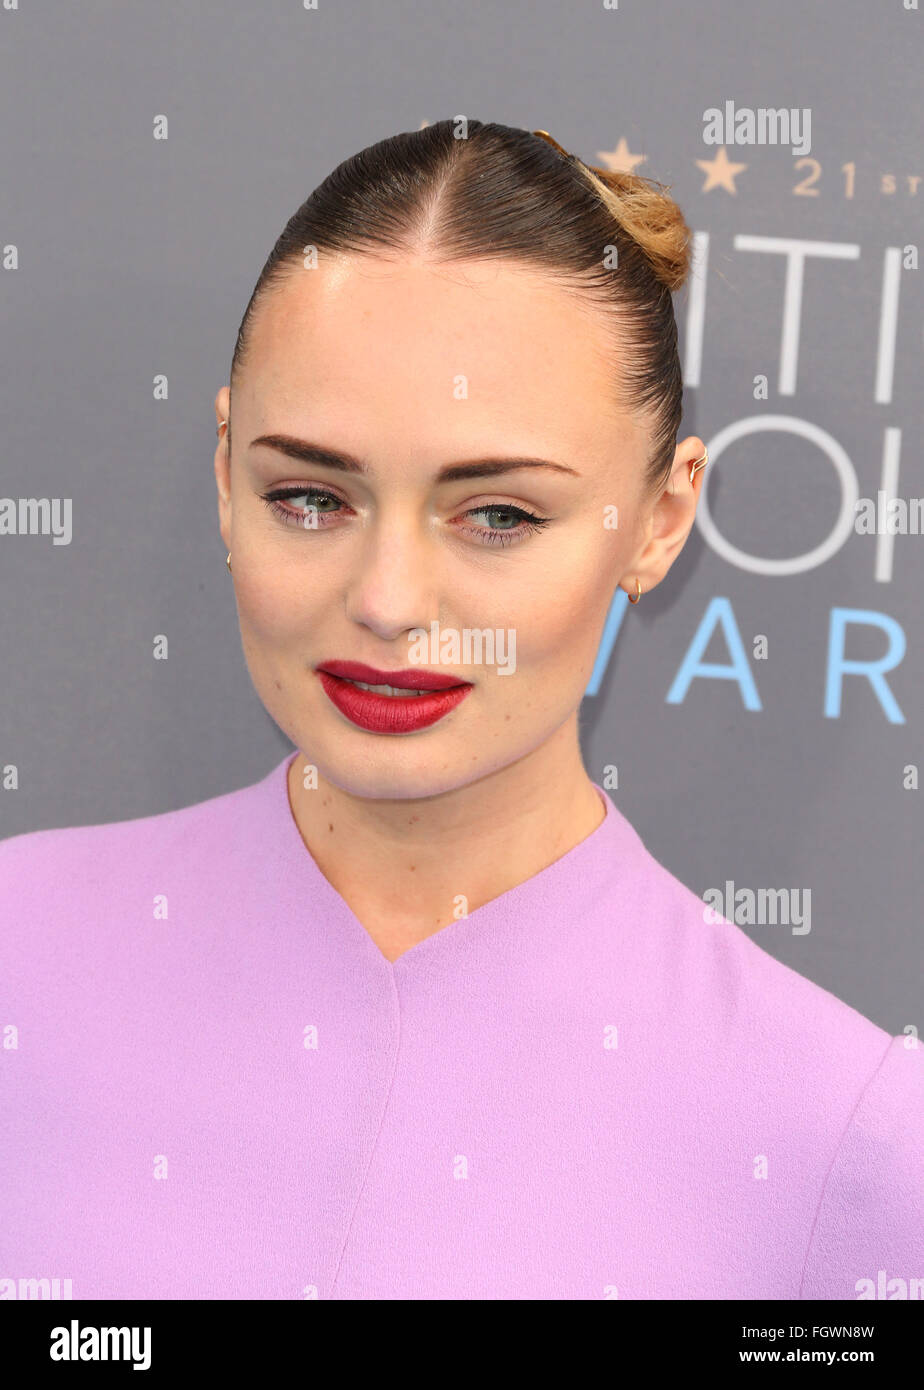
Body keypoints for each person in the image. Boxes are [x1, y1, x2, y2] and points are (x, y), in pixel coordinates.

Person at [1, 119, 921, 1301]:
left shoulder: (844, 1138)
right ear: (226, 469)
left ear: (661, 518)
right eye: (311, 497)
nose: (387, 603)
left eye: (498, 516)